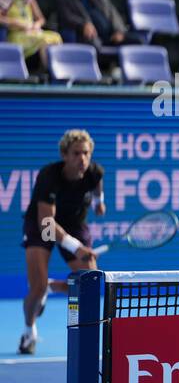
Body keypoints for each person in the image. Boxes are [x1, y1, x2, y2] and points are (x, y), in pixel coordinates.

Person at [18, 130, 104, 354]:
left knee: (89, 282)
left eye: (86, 153)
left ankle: (51, 286)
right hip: (41, 226)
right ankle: (29, 331)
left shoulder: (94, 172)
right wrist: (76, 247)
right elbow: (47, 223)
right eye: (76, 153)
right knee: (36, 288)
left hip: (74, 223)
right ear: (65, 155)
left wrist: (98, 202)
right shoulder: (49, 176)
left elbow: (97, 187)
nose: (82, 159)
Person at [54, 0, 135, 59]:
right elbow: (67, 17)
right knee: (93, 46)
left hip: (110, 34)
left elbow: (112, 12)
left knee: (138, 42)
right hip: (88, 36)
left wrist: (119, 31)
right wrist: (84, 24)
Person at [0, 0, 61, 72]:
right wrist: (17, 23)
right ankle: (48, 71)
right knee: (44, 40)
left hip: (32, 33)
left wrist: (35, 25)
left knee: (55, 37)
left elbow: (41, 19)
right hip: (17, 36)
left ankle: (51, 71)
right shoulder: (4, 0)